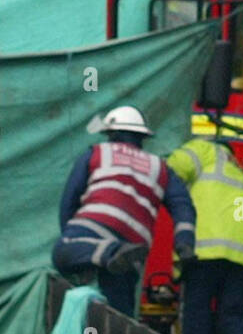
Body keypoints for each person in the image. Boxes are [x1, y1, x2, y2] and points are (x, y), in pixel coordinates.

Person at [52, 105, 196, 317]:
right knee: (119, 310)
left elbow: (70, 199)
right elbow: (183, 205)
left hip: (96, 225)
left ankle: (109, 252)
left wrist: (71, 238)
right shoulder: (160, 167)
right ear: (141, 138)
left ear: (112, 133)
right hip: (135, 241)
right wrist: (184, 243)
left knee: (62, 254)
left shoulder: (98, 152)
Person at [165, 136, 243, 334]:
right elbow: (241, 215)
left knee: (197, 308)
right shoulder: (241, 178)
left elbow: (169, 169)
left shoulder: (204, 150)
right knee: (233, 313)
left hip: (207, 250)